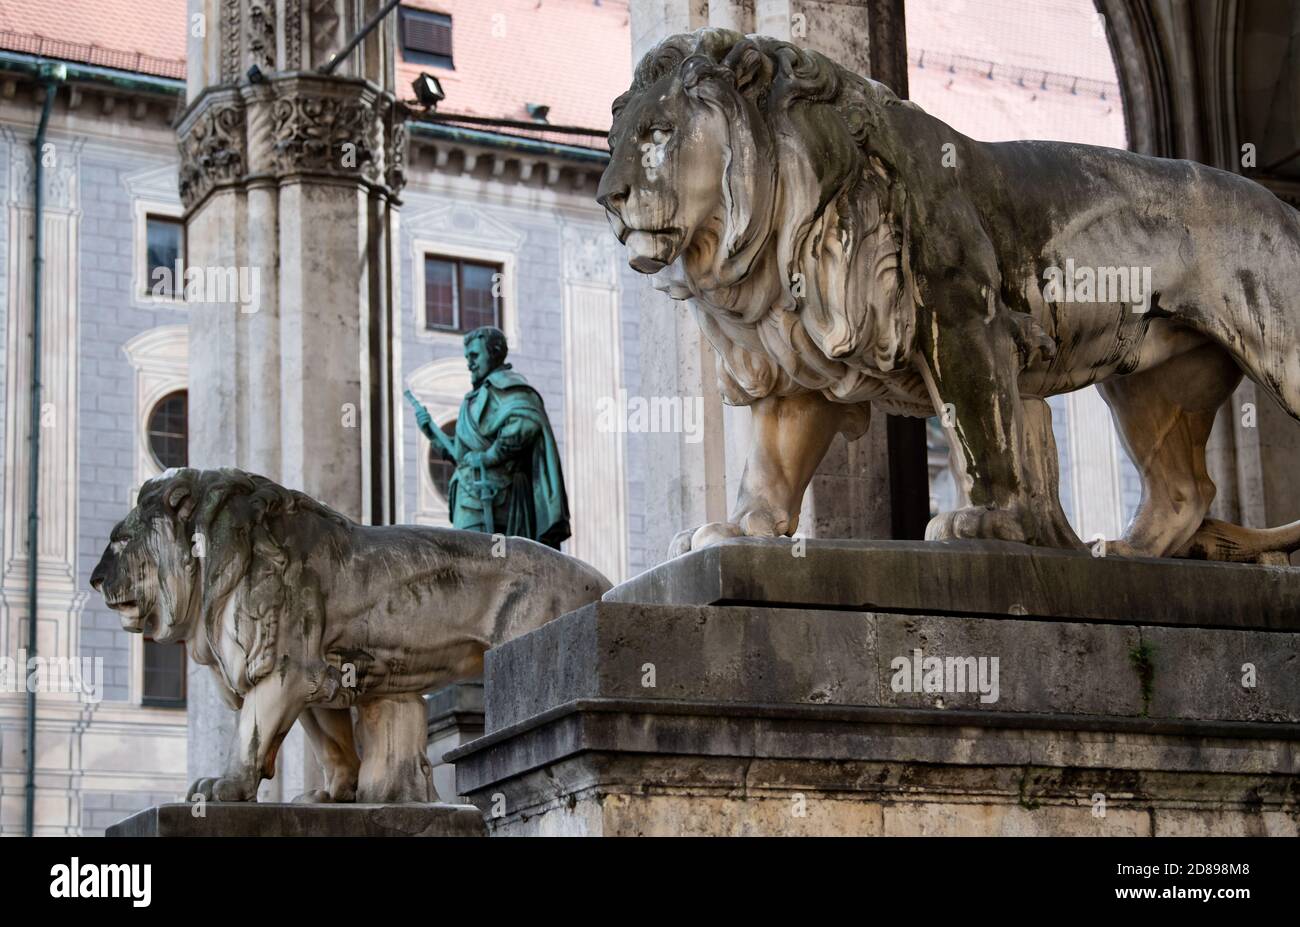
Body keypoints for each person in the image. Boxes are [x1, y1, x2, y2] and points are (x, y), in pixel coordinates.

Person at [412, 326, 571, 548]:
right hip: (467, 498)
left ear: (494, 353)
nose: (470, 363)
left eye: (475, 356)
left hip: (496, 496)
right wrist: (431, 432)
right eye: (468, 357)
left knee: (487, 562)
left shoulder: (512, 388)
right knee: (466, 563)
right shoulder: (471, 399)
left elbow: (526, 423)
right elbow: (461, 456)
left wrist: (489, 457)